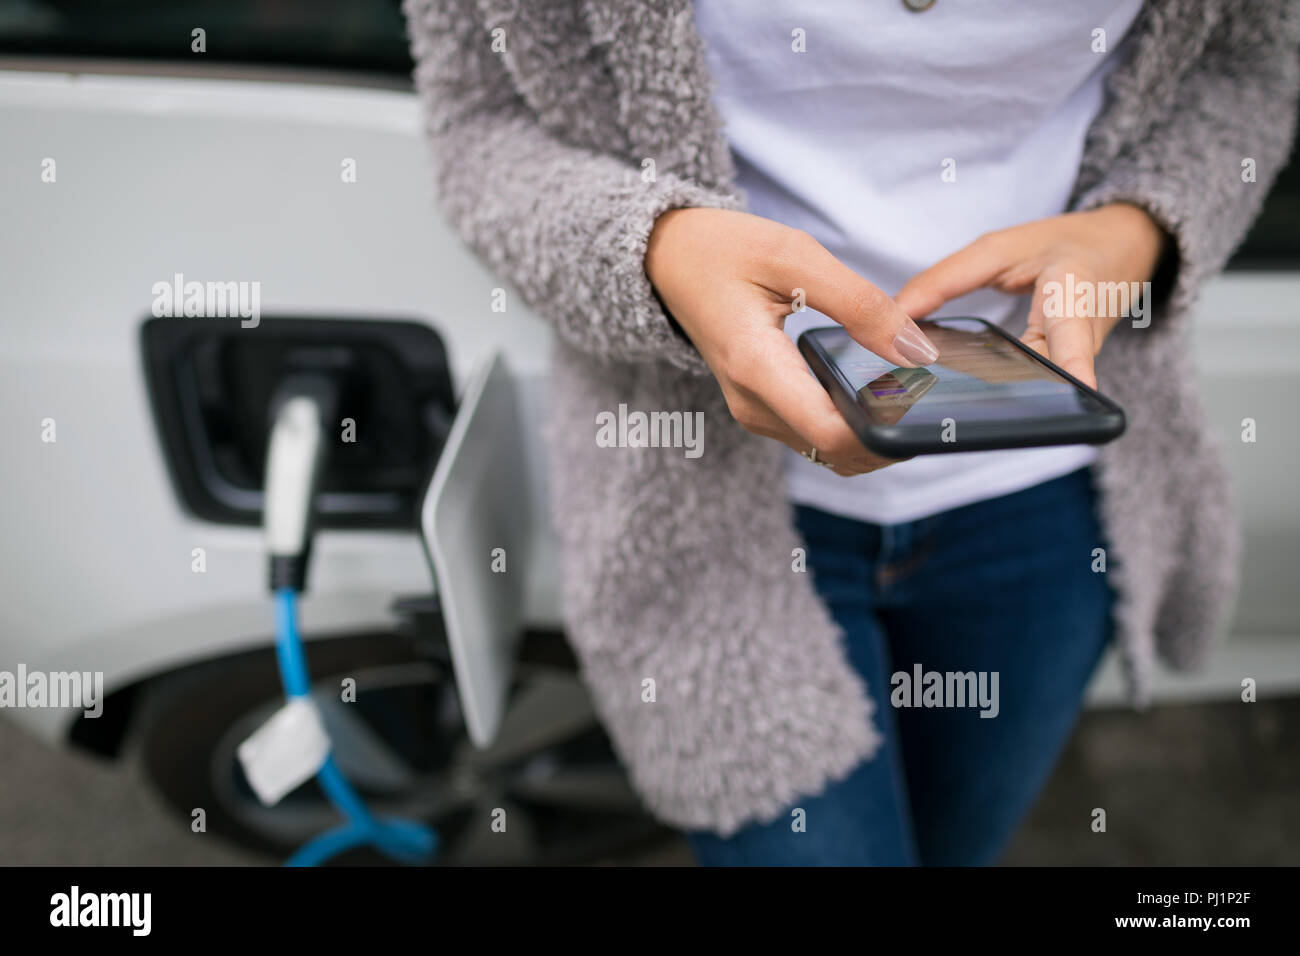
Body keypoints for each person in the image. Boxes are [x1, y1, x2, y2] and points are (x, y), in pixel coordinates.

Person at [404, 0, 1300, 864]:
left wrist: (1135, 233)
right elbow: (480, 133)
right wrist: (658, 253)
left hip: (1045, 505)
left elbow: (1249, 75)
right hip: (705, 521)